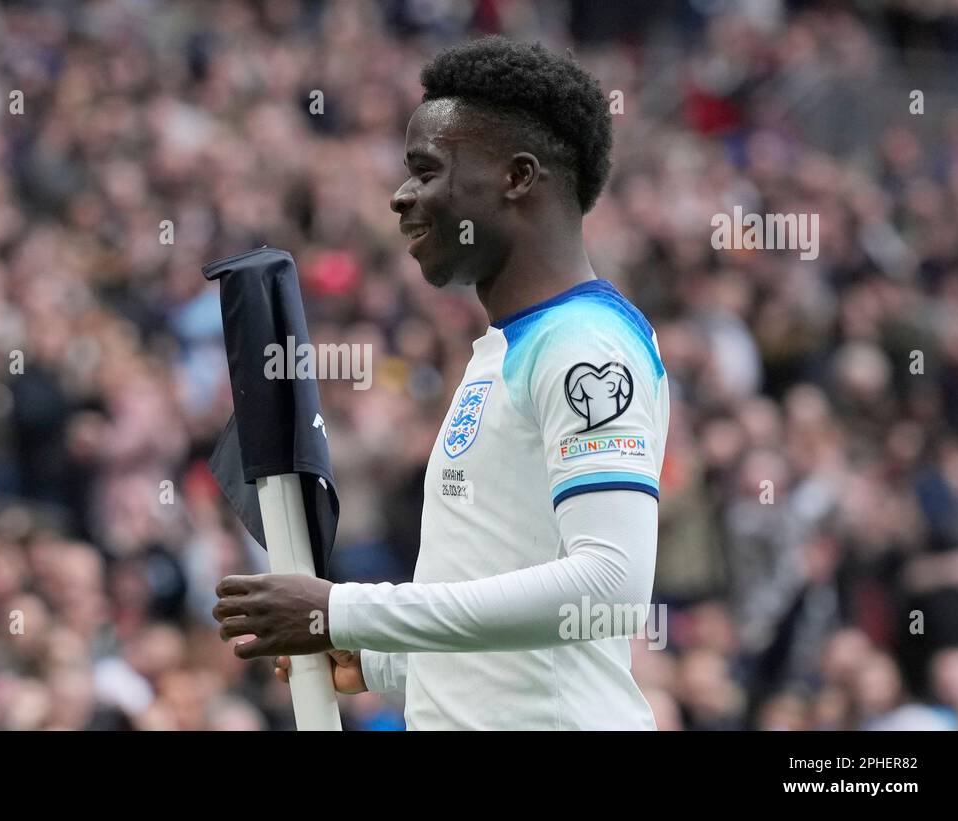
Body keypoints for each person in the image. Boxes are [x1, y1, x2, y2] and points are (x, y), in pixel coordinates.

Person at [212, 36, 668, 729]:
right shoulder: (502, 346)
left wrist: (343, 608)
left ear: (517, 176)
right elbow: (505, 592)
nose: (400, 196)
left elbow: (610, 588)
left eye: (426, 170)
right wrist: (377, 653)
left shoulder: (583, 346)